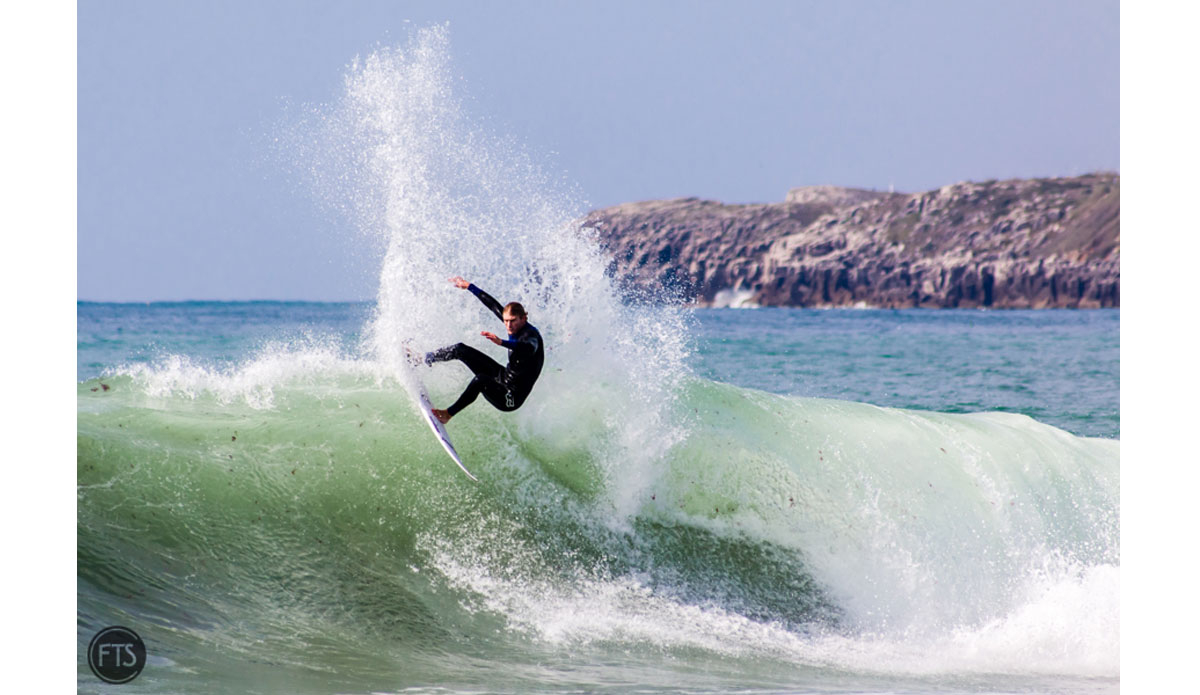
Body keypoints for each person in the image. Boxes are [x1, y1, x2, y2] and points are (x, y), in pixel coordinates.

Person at [420, 276, 544, 424]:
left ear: (523, 319)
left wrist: (501, 342)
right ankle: (424, 358)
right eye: (505, 321)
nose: (508, 326)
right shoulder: (511, 323)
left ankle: (448, 414)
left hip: (510, 397)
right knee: (461, 349)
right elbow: (492, 305)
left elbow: (527, 348)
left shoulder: (531, 336)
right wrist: (469, 286)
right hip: (503, 376)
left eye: (513, 321)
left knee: (481, 380)